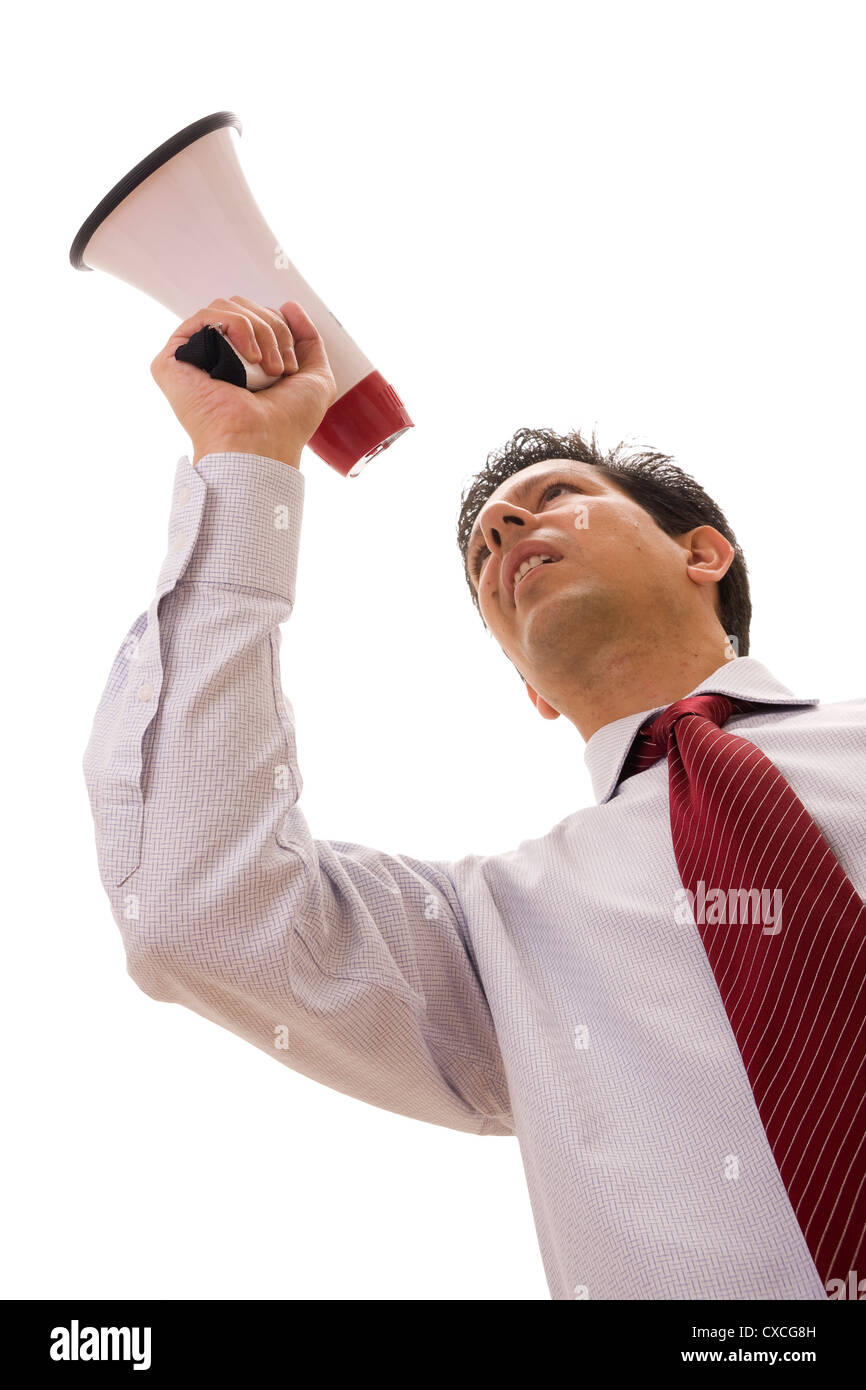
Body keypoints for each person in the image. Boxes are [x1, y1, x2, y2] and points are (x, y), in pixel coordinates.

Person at [83, 295, 865, 1301]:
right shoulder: (492, 931)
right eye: (483, 551)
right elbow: (199, 911)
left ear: (701, 554)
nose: (503, 523)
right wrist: (244, 464)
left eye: (554, 494)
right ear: (529, 686)